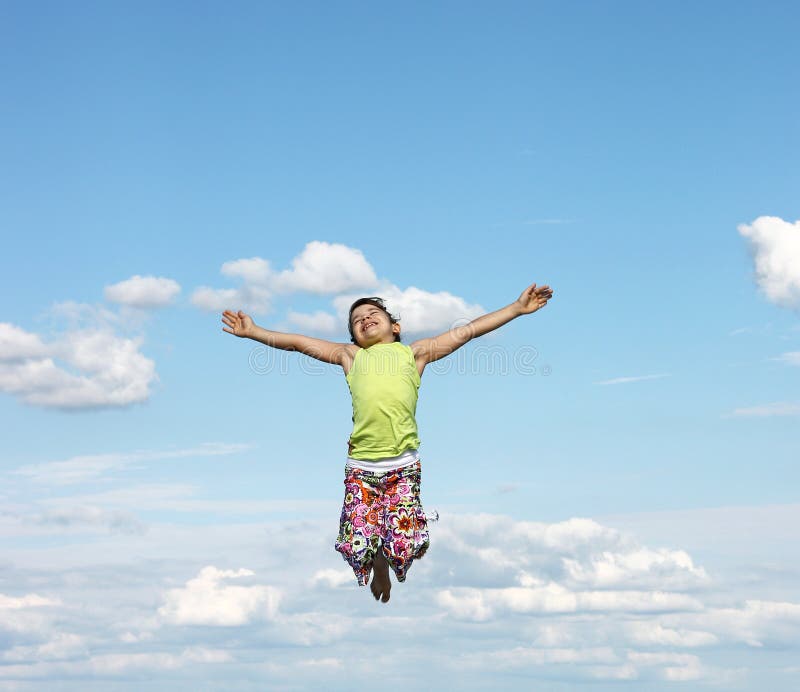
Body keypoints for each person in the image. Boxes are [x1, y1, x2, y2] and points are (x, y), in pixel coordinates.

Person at [221, 281, 554, 603]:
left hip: (403, 467)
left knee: (406, 545)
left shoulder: (415, 354)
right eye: (357, 320)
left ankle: (389, 556)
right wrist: (255, 332)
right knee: (358, 543)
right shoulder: (350, 357)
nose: (364, 318)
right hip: (361, 468)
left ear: (395, 327)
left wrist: (516, 309)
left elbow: (467, 332)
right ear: (354, 338)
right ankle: (376, 562)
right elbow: (296, 342)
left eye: (372, 313)